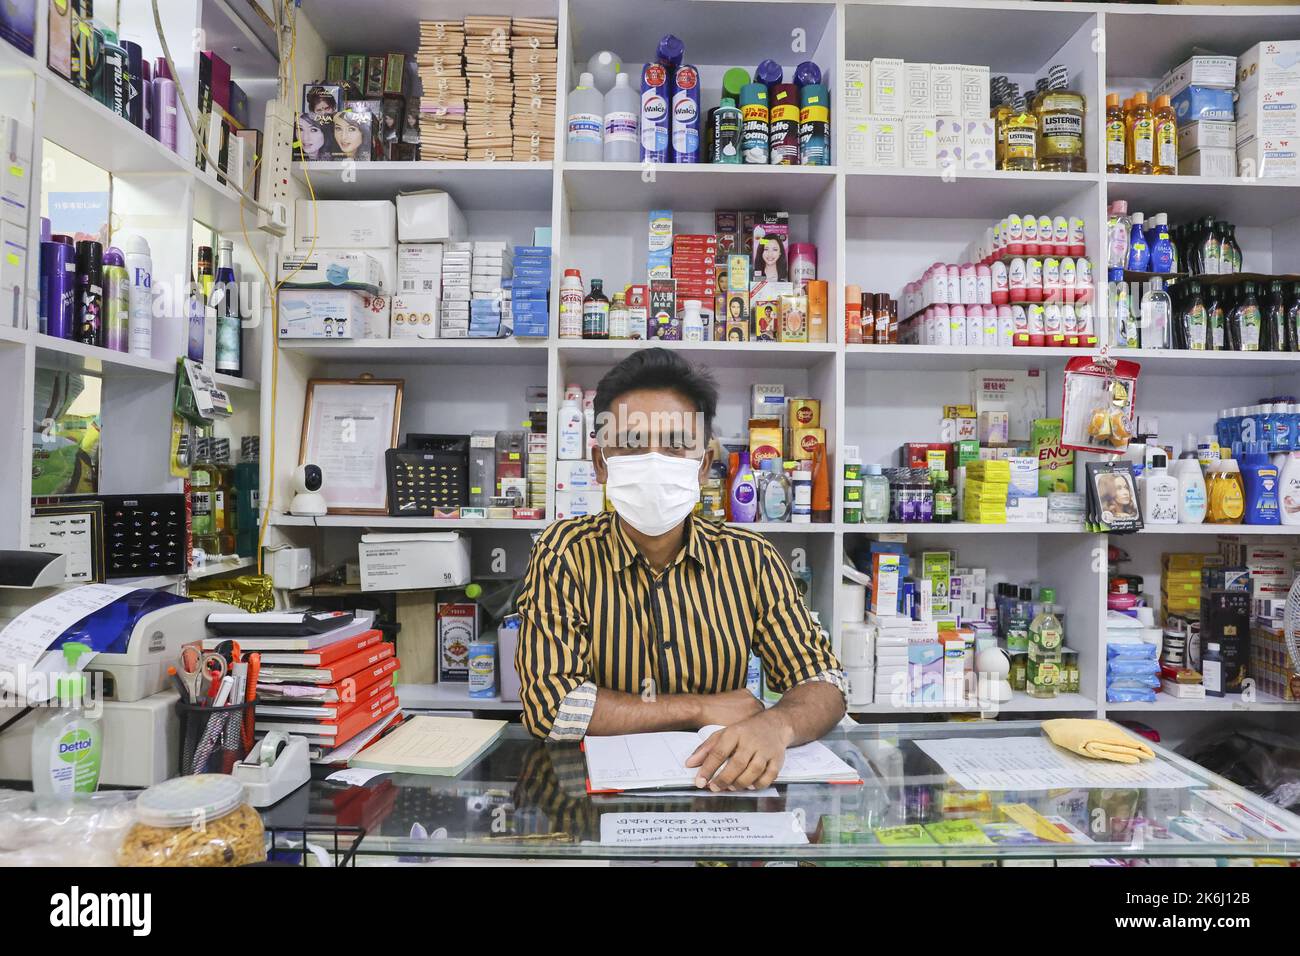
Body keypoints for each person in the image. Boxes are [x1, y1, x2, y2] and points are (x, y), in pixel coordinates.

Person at [515, 348, 845, 791]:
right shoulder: (564, 553)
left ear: (703, 465)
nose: (655, 461)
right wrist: (697, 708)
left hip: (719, 796)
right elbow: (551, 708)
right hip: (592, 806)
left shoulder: (750, 557)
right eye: (632, 444)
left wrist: (777, 725)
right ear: (601, 465)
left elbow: (823, 681)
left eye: (674, 445)